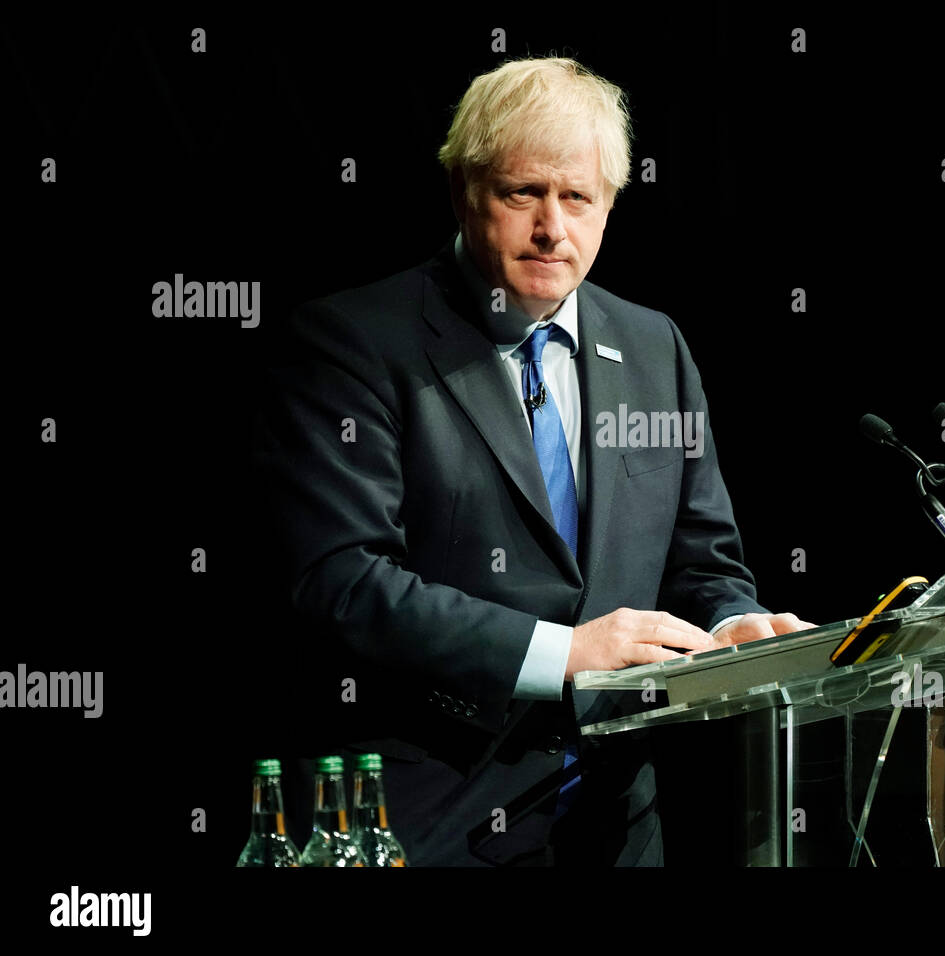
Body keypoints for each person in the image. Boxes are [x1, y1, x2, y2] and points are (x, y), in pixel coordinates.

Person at [254, 56, 811, 866]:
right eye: (525, 194)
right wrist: (563, 654)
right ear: (462, 190)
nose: (554, 228)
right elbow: (342, 582)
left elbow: (702, 556)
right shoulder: (352, 346)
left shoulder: (655, 348)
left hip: (617, 827)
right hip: (429, 816)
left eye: (578, 198)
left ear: (610, 204)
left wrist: (734, 625)